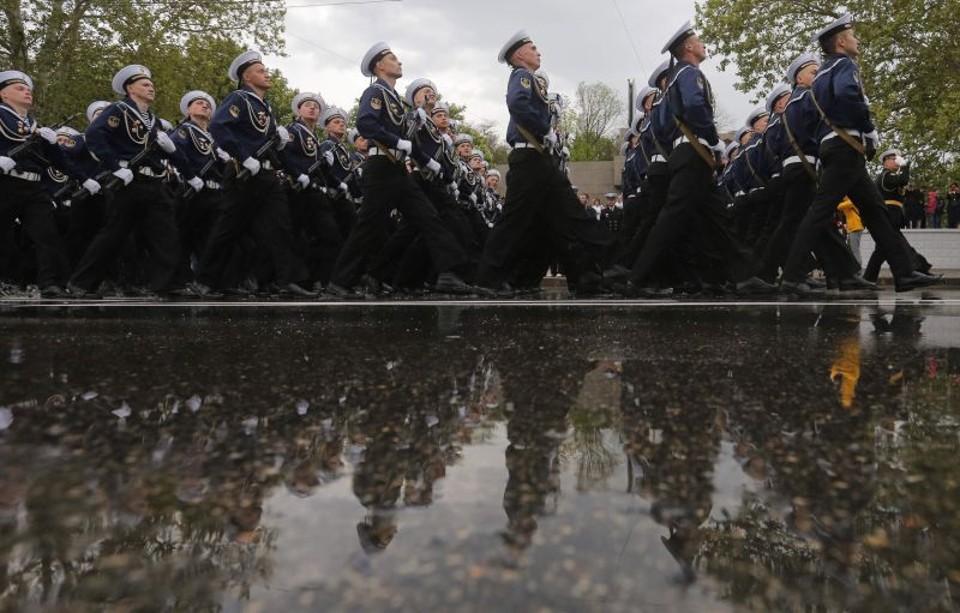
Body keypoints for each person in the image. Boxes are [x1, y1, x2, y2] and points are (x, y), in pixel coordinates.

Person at [777, 14, 939, 293]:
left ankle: (904, 273)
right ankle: (791, 275)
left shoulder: (821, 76)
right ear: (841, 41)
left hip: (836, 148)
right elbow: (848, 95)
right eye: (853, 35)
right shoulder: (844, 65)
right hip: (845, 147)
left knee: (875, 212)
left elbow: (814, 120)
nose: (858, 39)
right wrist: (868, 128)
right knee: (820, 212)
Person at [623, 21, 772, 295]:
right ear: (689, 47)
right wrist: (712, 138)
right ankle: (637, 278)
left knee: (717, 218)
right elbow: (694, 106)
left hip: (690, 153)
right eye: (699, 40)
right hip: (693, 153)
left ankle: (744, 275)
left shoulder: (676, 80)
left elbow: (665, 127)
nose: (704, 44)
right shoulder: (689, 73)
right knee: (671, 217)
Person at [326, 42, 477, 297]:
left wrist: (428, 161)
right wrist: (397, 142)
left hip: (396, 169)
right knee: (368, 226)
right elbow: (366, 123)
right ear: (379, 66)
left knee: (429, 217)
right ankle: (340, 282)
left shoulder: (394, 99)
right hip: (380, 167)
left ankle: (448, 273)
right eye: (393, 59)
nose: (399, 62)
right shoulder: (375, 92)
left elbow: (408, 141)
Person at [476, 30, 613, 294]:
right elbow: (517, 103)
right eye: (533, 48)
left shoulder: (527, 79)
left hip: (539, 159)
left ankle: (605, 269)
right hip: (529, 159)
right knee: (516, 222)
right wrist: (543, 128)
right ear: (519, 55)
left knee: (570, 216)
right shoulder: (522, 76)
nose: (538, 52)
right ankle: (488, 277)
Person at [192, 50, 315, 298]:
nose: (267, 73)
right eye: (261, 70)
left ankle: (287, 280)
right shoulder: (240, 98)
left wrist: (278, 145)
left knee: (280, 227)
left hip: (266, 177)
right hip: (243, 174)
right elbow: (219, 126)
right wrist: (244, 155)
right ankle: (205, 280)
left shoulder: (264, 106)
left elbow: (260, 139)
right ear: (247, 77)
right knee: (229, 229)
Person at [68, 64, 194, 298]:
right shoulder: (119, 110)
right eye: (145, 84)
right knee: (113, 234)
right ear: (130, 88)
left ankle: (167, 283)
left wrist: (172, 149)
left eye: (152, 85)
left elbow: (171, 155)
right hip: (128, 182)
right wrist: (114, 167)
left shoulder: (153, 121)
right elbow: (95, 135)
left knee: (165, 233)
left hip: (154, 183)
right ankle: (81, 284)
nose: (151, 88)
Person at [0, 70, 74, 296]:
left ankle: (50, 282)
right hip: (5, 183)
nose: (27, 92)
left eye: (28, 89)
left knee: (46, 234)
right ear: (3, 94)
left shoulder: (33, 124)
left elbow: (58, 162)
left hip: (33, 187)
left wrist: (52, 144)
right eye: (19, 89)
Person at [862, 148, 933, 282]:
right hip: (889, 215)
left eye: (897, 159)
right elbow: (903, 180)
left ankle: (868, 279)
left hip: (892, 215)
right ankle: (920, 270)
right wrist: (905, 166)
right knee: (901, 246)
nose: (896, 161)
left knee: (883, 250)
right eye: (893, 159)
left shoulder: (891, 176)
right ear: (885, 162)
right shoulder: (886, 176)